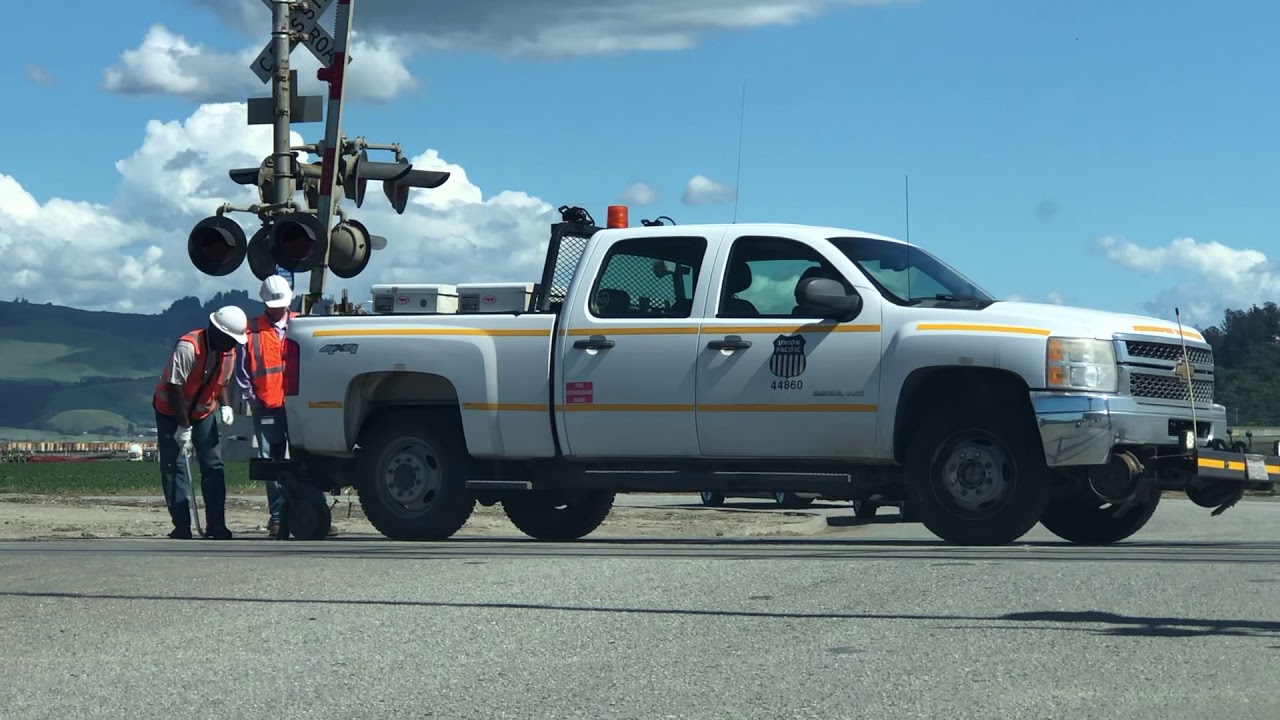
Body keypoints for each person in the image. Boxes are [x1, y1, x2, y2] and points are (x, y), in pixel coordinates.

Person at [235, 274, 335, 538]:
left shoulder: (302, 325)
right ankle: (278, 518)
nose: (279, 308)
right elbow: (242, 369)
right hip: (267, 405)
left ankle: (315, 512)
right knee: (272, 464)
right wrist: (252, 398)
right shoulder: (251, 330)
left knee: (308, 460)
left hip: (301, 406)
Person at [153, 305, 248, 540]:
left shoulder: (229, 352)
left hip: (204, 412)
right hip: (171, 411)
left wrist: (226, 405)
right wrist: (183, 426)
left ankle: (217, 525)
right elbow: (175, 387)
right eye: (230, 339)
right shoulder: (188, 347)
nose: (233, 344)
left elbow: (222, 382)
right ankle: (182, 526)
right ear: (218, 332)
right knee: (174, 466)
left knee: (213, 465)